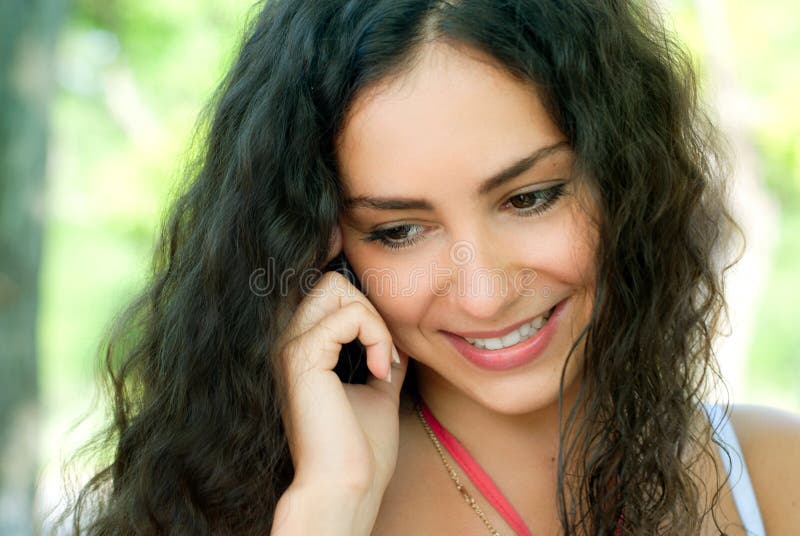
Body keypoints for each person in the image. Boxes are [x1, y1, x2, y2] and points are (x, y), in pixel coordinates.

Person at [63, 0, 800, 534]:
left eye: (530, 197)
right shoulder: (244, 512)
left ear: (626, 180)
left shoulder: (775, 476)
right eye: (400, 230)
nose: (481, 295)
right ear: (322, 250)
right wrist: (332, 505)